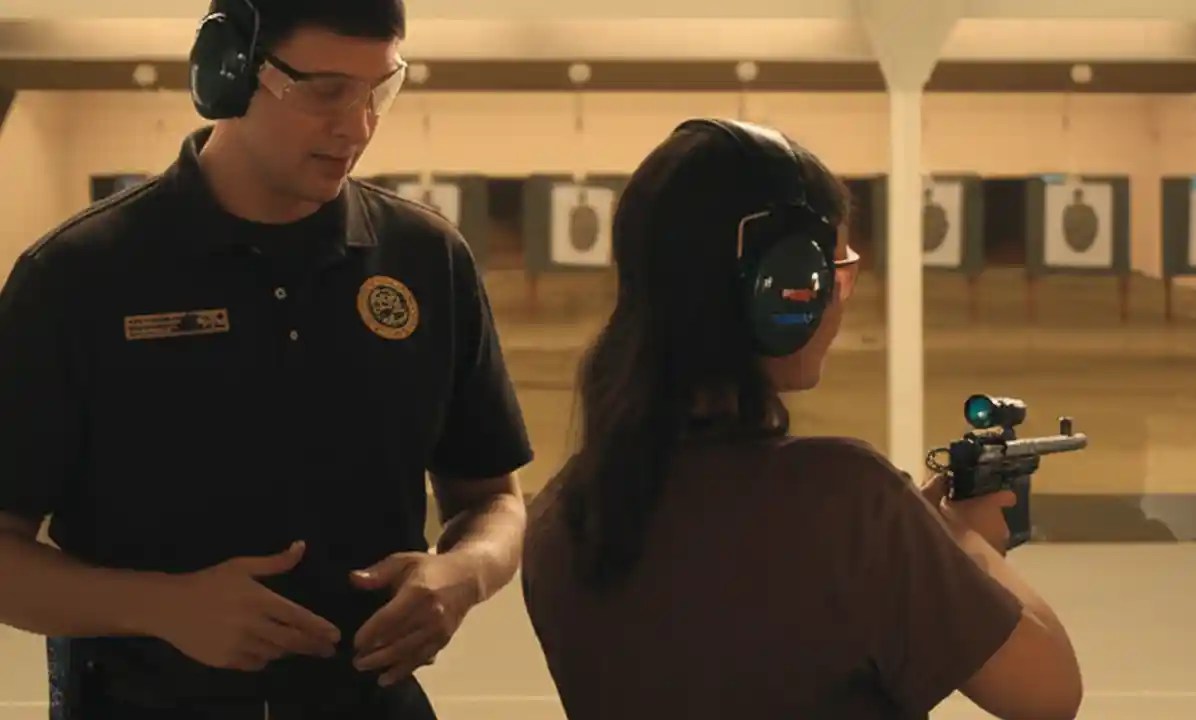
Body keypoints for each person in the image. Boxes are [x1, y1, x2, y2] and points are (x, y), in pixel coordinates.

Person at [0, 1, 532, 718]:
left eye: (379, 89)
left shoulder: (428, 260)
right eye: (326, 92)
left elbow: (494, 498)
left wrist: (463, 574)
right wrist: (163, 608)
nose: (359, 126)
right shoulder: (77, 277)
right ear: (227, 73)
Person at [520, 119, 1084, 720]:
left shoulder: (562, 516)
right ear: (782, 289)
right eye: (832, 273)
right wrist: (961, 541)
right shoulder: (850, 500)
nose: (839, 297)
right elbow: (1049, 693)